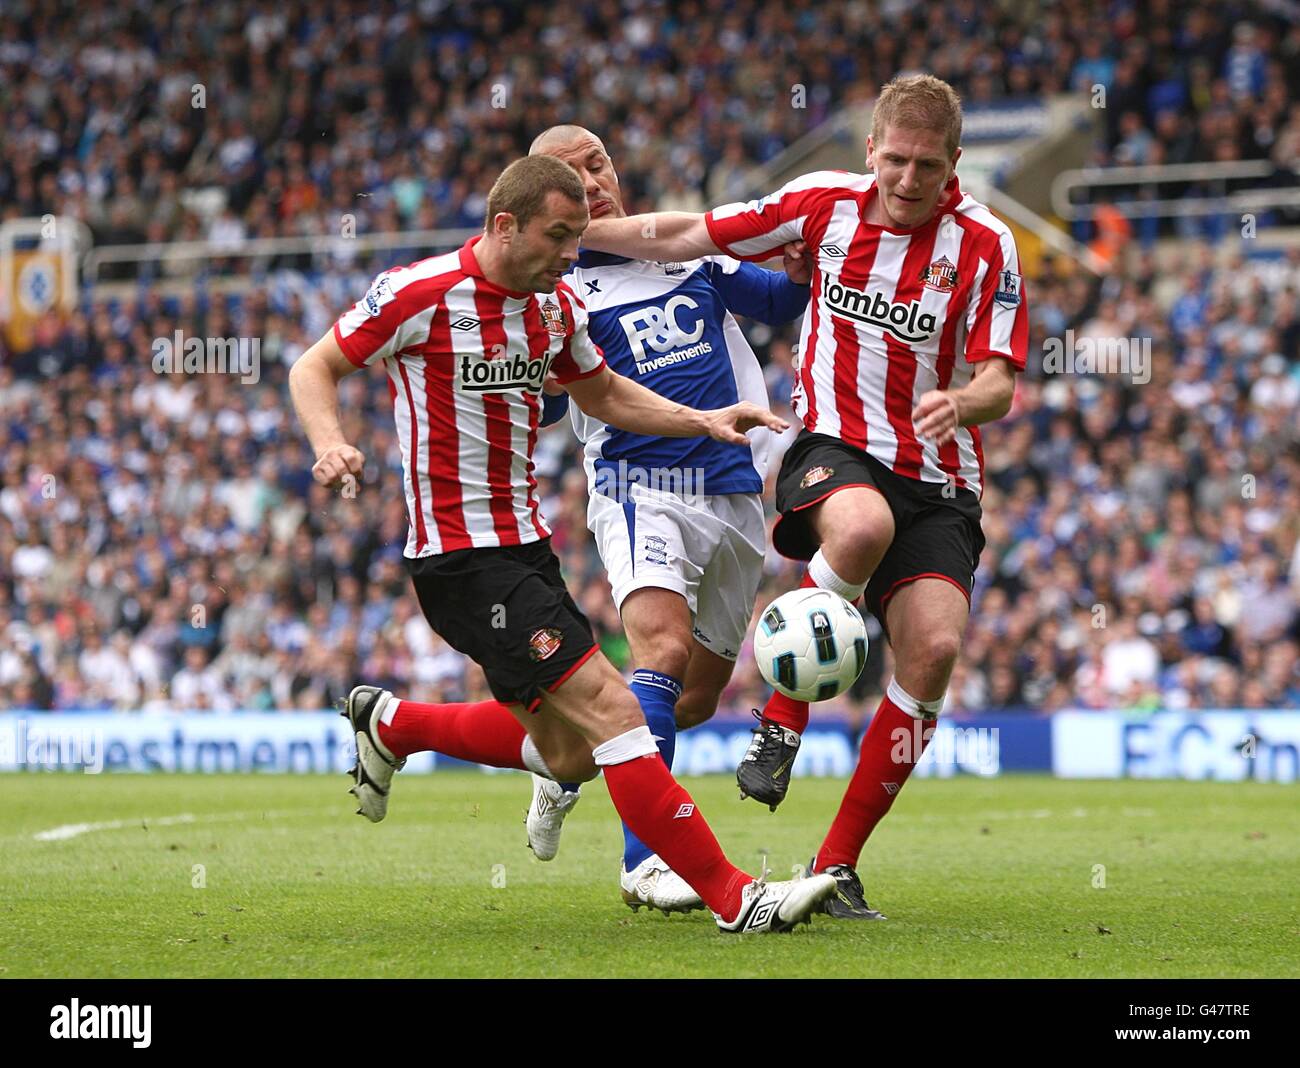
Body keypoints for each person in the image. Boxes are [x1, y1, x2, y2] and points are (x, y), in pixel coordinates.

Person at [287, 153, 835, 933]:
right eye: (558, 236)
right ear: (504, 224)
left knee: (574, 754)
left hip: (526, 549)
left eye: (579, 237)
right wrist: (329, 441)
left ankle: (393, 724)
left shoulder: (554, 309)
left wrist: (705, 421)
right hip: (460, 559)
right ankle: (734, 896)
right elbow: (316, 365)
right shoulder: (420, 293)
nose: (572, 255)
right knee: (619, 710)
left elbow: (605, 392)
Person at [580, 74, 1028, 919]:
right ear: (869, 151)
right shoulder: (821, 203)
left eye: (925, 167)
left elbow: (1001, 381)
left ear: (954, 164)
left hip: (940, 475)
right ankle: (782, 723)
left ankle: (837, 864)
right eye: (893, 160)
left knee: (932, 653)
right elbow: (689, 231)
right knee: (860, 524)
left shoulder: (986, 244)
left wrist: (962, 401)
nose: (905, 180)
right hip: (834, 445)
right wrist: (570, 231)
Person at [523, 125, 811, 913]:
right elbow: (548, 403)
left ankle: (560, 759)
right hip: (638, 480)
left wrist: (802, 249)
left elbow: (783, 300)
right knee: (663, 648)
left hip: (734, 488)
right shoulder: (554, 288)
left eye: (600, 164)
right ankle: (644, 861)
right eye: (572, 177)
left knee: (693, 697)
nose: (593, 183)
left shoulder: (686, 248)